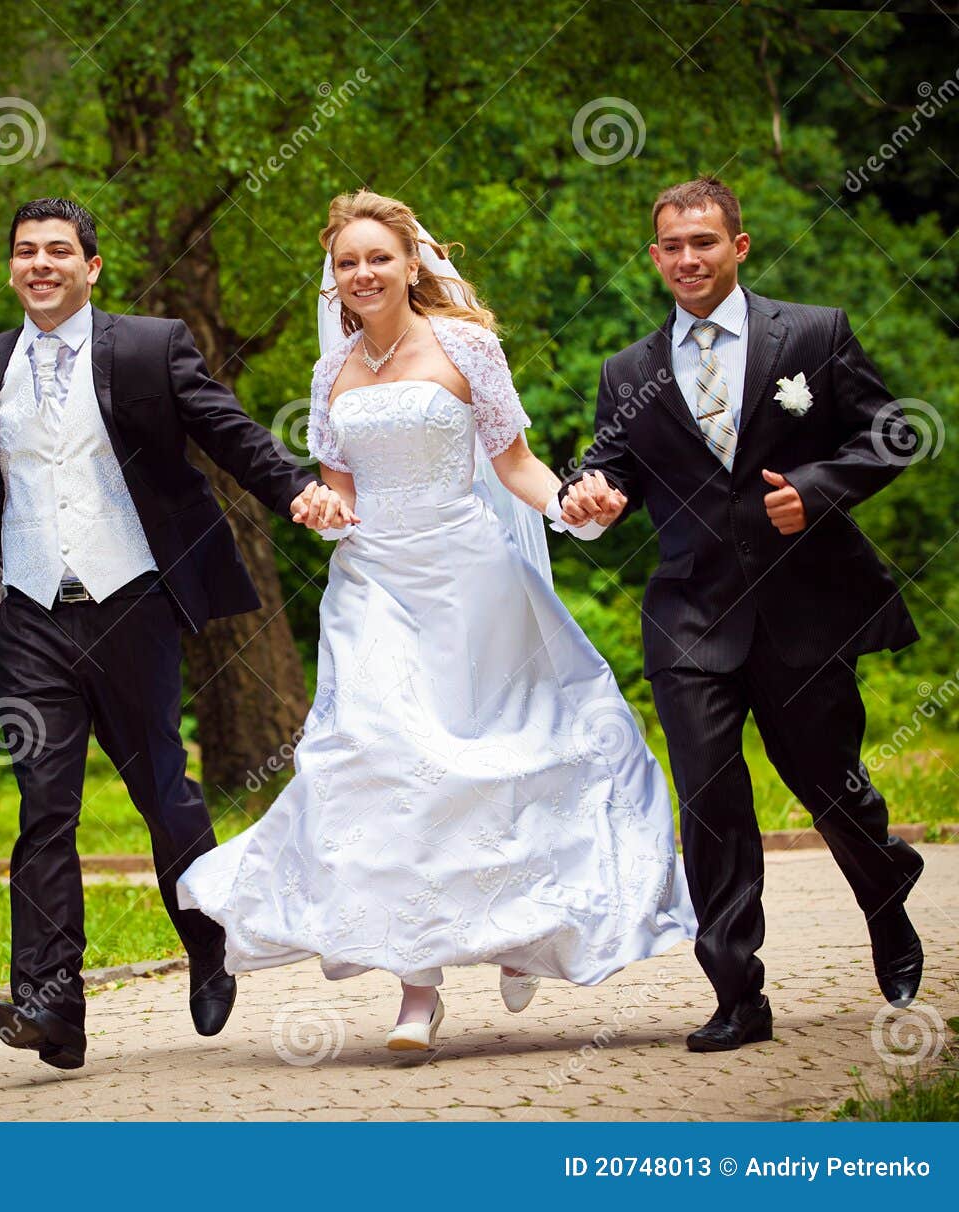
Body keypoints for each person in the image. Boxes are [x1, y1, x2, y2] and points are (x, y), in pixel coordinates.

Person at [176, 189, 695, 1051]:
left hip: (470, 577)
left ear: (413, 264)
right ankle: (417, 989)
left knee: (496, 764)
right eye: (348, 262)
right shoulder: (329, 371)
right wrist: (324, 509)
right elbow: (339, 487)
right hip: (374, 582)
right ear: (333, 279)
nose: (363, 273)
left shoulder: (466, 346)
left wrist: (572, 507)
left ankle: (521, 926)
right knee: (383, 759)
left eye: (379, 257)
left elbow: (517, 465)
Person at [0, 198, 341, 1069]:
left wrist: (295, 492)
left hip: (132, 601)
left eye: (60, 251)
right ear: (11, 268)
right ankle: (52, 1003)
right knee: (44, 807)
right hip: (25, 612)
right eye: (26, 252)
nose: (41, 263)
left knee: (162, 791)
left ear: (92, 268)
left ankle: (208, 940)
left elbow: (228, 431)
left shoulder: (147, 345)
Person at [561, 177, 924, 1051]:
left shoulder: (812, 333)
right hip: (689, 617)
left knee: (828, 786)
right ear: (655, 258)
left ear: (739, 247)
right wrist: (589, 495)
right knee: (712, 805)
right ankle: (738, 993)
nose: (688, 259)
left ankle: (884, 890)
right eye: (672, 246)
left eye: (704, 243)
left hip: (802, 609)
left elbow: (893, 432)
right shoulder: (630, 372)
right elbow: (605, 467)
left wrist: (817, 488)